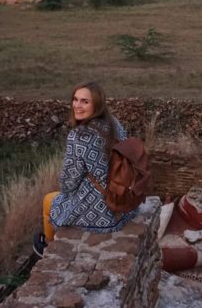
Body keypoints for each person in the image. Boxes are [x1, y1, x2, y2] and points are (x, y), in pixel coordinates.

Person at [34, 82, 138, 257]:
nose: (77, 105)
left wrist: (69, 191)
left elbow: (69, 182)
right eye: (75, 99)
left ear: (97, 104)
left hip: (102, 209)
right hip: (124, 199)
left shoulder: (79, 136)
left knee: (48, 201)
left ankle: (48, 247)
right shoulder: (112, 122)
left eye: (85, 101)